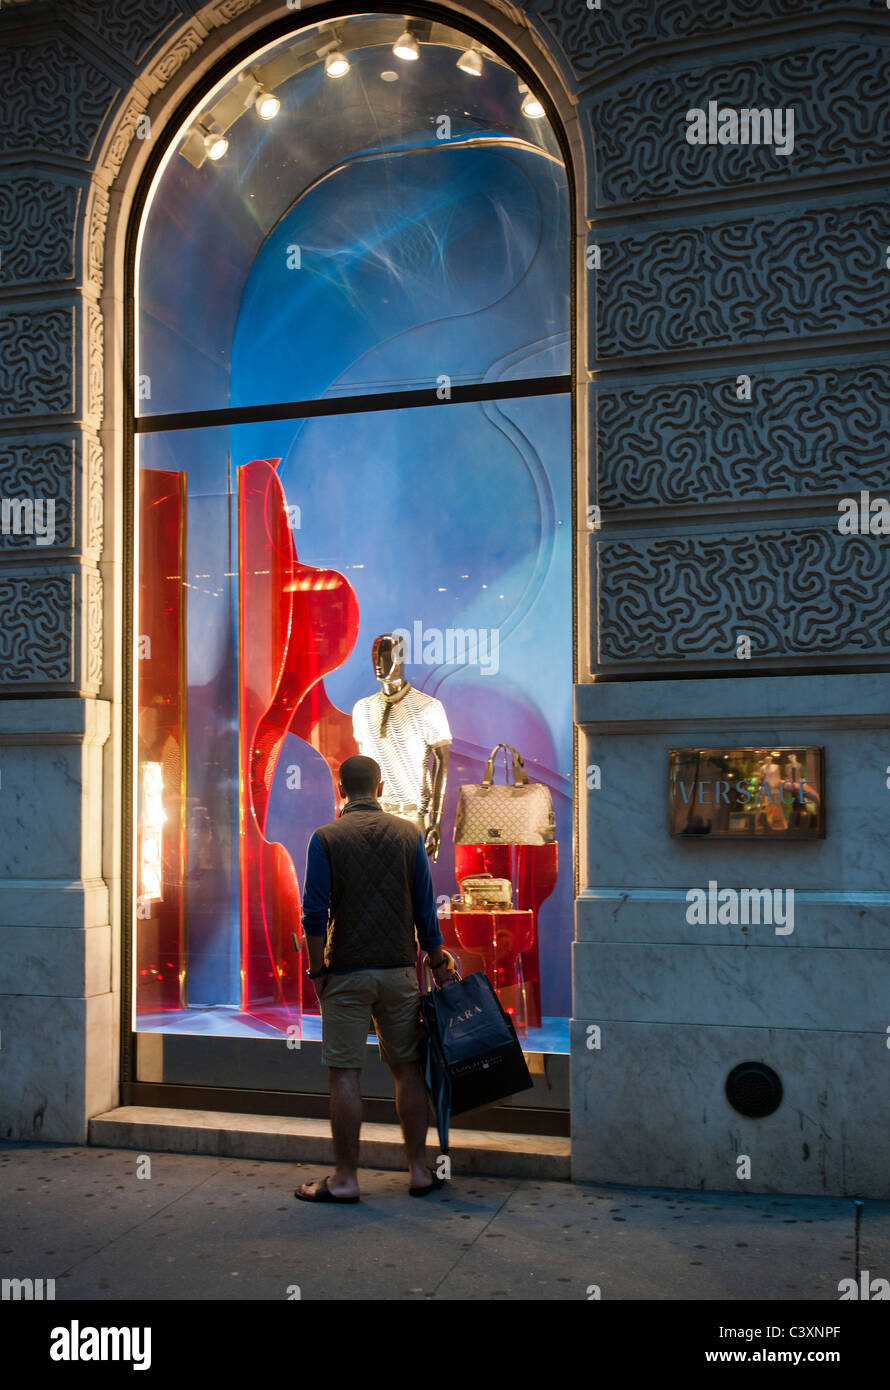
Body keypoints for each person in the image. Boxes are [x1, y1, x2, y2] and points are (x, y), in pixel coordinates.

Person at [295, 754, 458, 1204]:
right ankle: (420, 1172)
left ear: (340, 790)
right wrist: (437, 957)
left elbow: (313, 914)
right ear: (382, 787)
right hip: (399, 972)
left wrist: (317, 971)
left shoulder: (325, 838)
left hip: (344, 973)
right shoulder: (408, 835)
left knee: (345, 1074)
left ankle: (346, 1179)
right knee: (407, 1071)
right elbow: (426, 908)